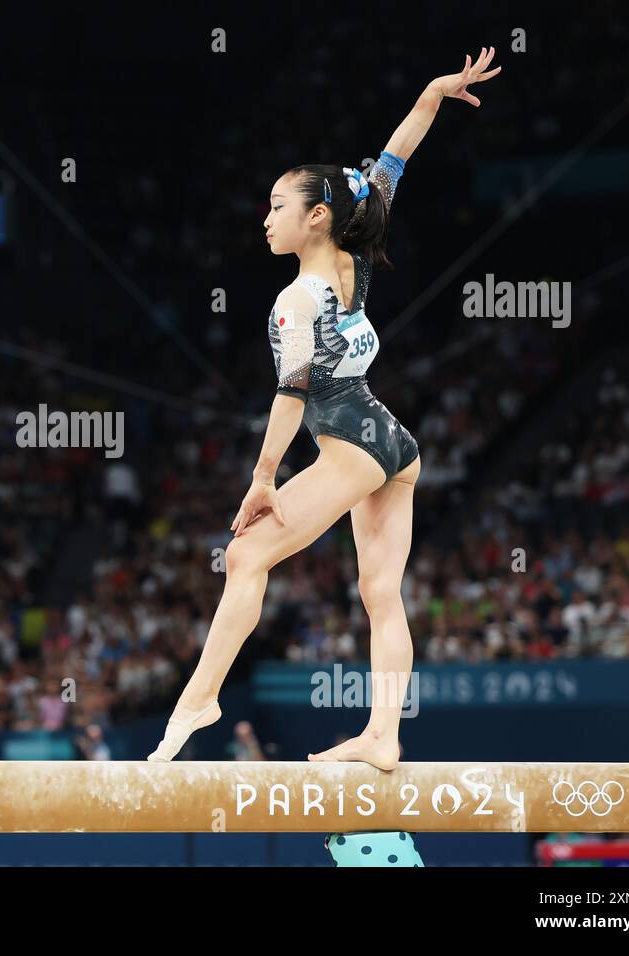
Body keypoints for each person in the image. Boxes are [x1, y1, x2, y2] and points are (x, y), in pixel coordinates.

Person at [148, 48, 502, 768]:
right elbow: (396, 157)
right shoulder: (354, 254)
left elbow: (292, 394)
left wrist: (263, 478)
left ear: (315, 216)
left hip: (353, 444)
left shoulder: (296, 298)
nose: (266, 218)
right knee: (380, 593)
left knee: (247, 552)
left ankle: (200, 699)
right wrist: (432, 93)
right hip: (394, 445)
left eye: (278, 207)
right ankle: (383, 734)